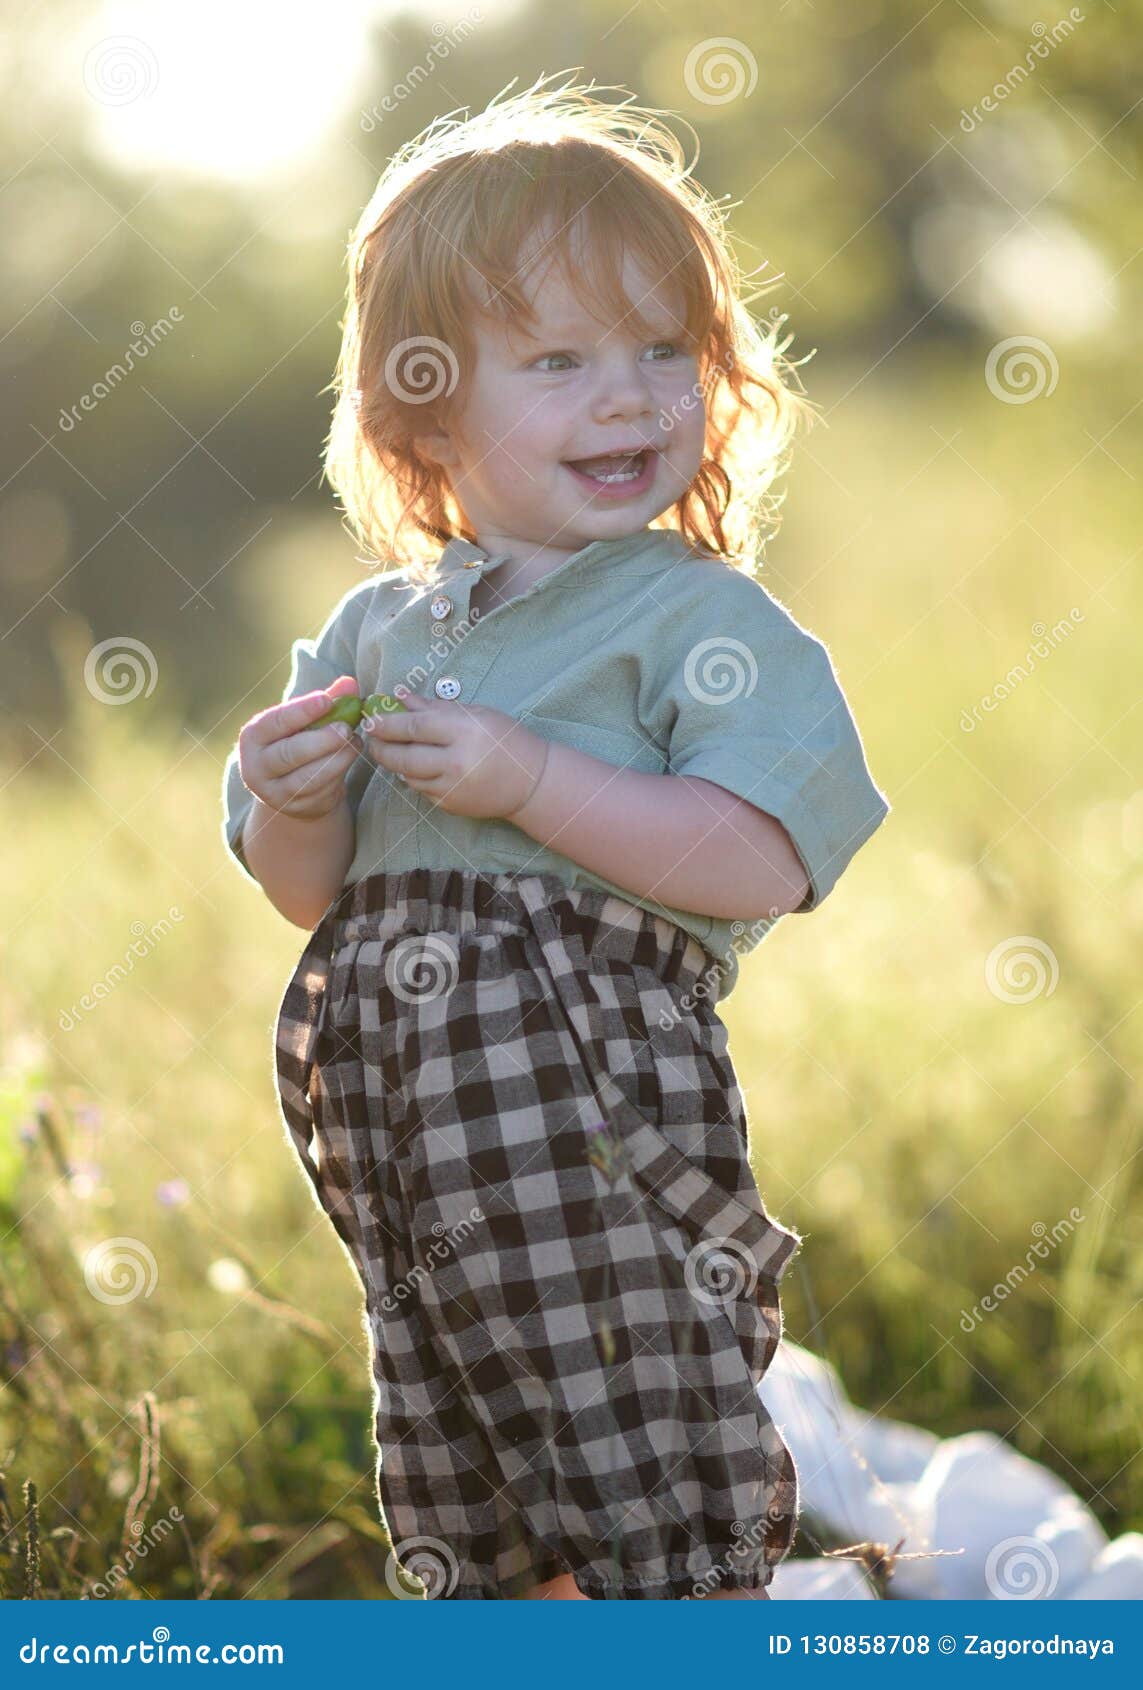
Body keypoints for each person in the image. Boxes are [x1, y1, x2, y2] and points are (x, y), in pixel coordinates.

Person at [220, 73, 890, 1601]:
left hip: (594, 1120)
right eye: (563, 358)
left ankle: (686, 1609)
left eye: (668, 352)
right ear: (424, 406)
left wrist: (532, 780)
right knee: (458, 1447)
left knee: (636, 1405)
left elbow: (760, 858)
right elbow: (304, 894)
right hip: (401, 1153)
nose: (629, 397)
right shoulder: (375, 628)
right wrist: (299, 801)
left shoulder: (693, 619)